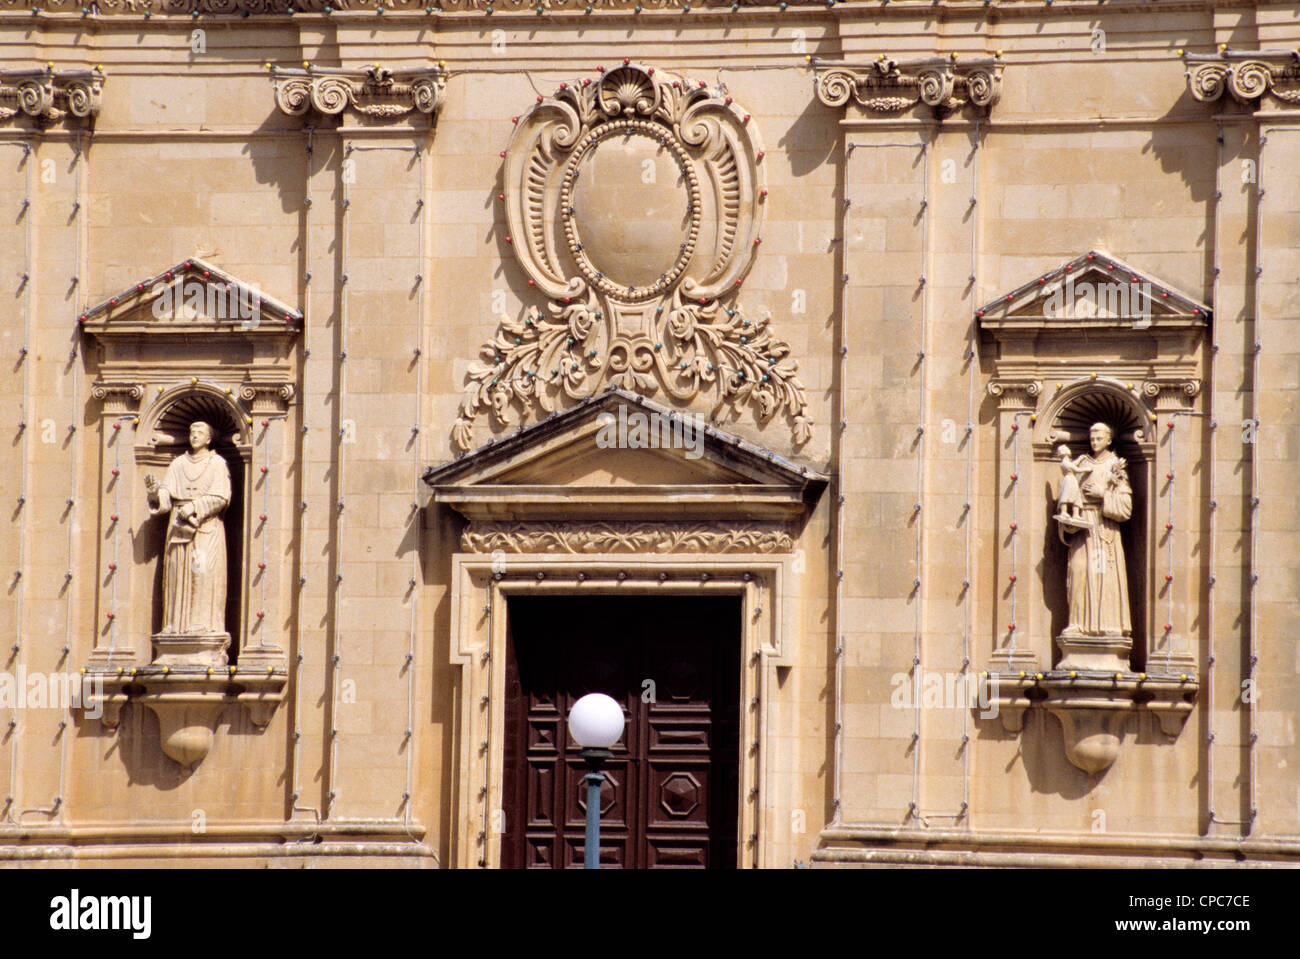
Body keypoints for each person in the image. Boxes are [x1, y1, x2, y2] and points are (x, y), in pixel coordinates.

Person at [144, 421, 231, 636]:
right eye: (192, 432)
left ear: (209, 438)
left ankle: (201, 625)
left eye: (200, 432)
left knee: (202, 573)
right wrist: (157, 492)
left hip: (205, 528)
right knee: (176, 574)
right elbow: (166, 494)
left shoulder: (217, 463)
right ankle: (174, 626)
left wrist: (194, 506)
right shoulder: (178, 464)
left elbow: (221, 496)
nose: (194, 436)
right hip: (178, 526)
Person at [1056, 422, 1132, 637]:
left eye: (1099, 438)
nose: (1095, 441)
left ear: (1109, 439)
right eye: (1092, 438)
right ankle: (1077, 624)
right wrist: (1067, 518)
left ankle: (1108, 625)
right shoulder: (1080, 462)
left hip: (1104, 528)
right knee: (1078, 572)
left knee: (1102, 574)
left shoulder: (1116, 465)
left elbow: (1126, 508)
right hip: (1082, 529)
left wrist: (1103, 495)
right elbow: (1068, 492)